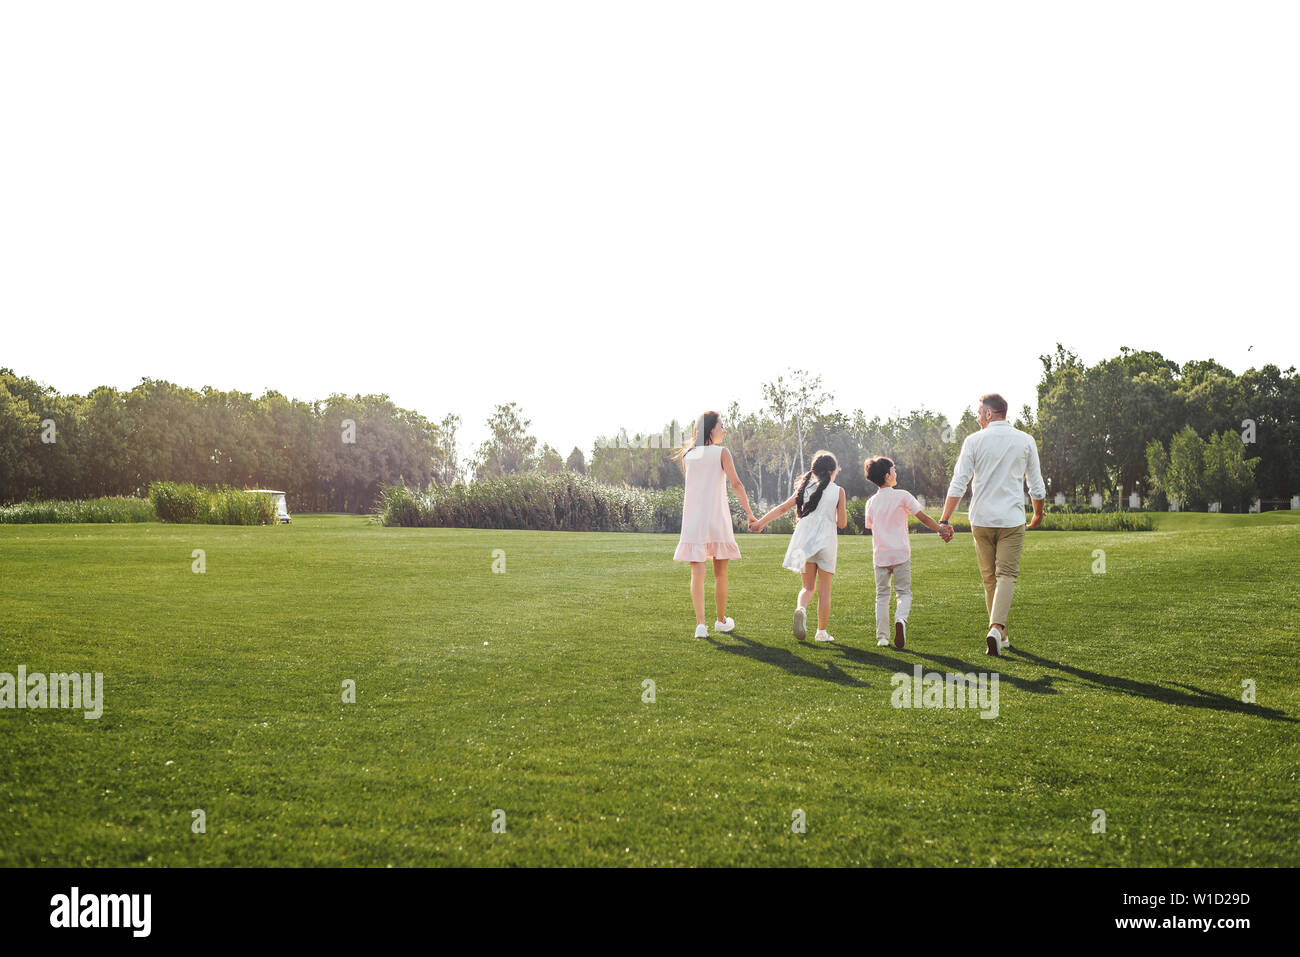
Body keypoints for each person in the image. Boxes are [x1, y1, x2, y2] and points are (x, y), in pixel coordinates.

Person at [938, 393, 1045, 656]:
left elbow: (959, 483)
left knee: (989, 579)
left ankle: (1001, 636)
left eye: (979, 412)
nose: (977, 417)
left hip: (981, 520)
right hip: (1011, 520)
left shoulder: (973, 441)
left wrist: (944, 518)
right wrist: (1038, 514)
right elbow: (1037, 485)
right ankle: (997, 629)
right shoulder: (1025, 440)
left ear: (989, 413)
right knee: (1006, 575)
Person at [673, 411, 759, 638]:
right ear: (711, 429)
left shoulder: (688, 455)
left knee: (697, 573)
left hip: (693, 521)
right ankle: (721, 621)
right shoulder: (722, 452)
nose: (724, 429)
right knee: (720, 573)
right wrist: (750, 514)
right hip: (717, 518)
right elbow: (736, 484)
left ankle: (701, 625)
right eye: (722, 425)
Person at [749, 450, 847, 643]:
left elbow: (783, 508)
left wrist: (760, 523)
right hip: (827, 541)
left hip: (804, 541)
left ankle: (801, 609)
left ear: (814, 471)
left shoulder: (804, 489)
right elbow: (842, 523)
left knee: (807, 587)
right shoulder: (839, 491)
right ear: (832, 471)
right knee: (824, 590)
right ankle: (821, 632)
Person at [863, 456, 948, 649]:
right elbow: (923, 517)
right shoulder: (902, 495)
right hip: (901, 554)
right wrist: (939, 529)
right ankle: (900, 620)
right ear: (887, 476)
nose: (896, 473)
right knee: (904, 593)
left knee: (882, 596)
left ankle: (882, 637)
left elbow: (870, 525)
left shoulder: (871, 503)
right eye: (894, 470)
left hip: (880, 556)